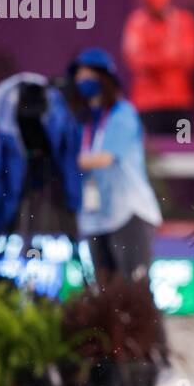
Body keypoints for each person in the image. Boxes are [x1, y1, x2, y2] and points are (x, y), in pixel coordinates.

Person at [65, 48, 163, 285]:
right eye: (78, 77)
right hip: (95, 214)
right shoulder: (85, 120)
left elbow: (105, 158)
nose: (81, 82)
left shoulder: (123, 114)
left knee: (133, 287)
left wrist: (63, 161)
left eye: (87, 75)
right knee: (105, 288)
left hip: (129, 212)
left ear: (104, 78)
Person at [0, 74, 81, 253]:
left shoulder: (60, 120)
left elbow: (69, 164)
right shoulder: (7, 140)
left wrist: (74, 200)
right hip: (29, 192)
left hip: (51, 189)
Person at [121, 0, 194, 136]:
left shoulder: (184, 20)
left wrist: (153, 57)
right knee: (151, 154)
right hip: (147, 104)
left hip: (180, 104)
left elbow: (190, 60)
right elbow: (136, 61)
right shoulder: (136, 22)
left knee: (184, 148)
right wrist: (169, 56)